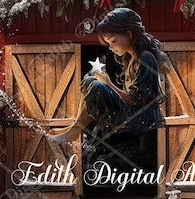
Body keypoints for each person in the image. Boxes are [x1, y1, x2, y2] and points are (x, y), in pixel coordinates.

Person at [50, 8, 167, 146]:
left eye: (113, 40)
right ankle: (74, 128)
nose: (110, 47)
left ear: (129, 34)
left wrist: (109, 84)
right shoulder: (130, 58)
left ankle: (75, 131)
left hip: (141, 117)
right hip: (133, 111)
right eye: (108, 43)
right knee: (90, 81)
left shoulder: (146, 58)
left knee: (98, 87)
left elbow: (136, 100)